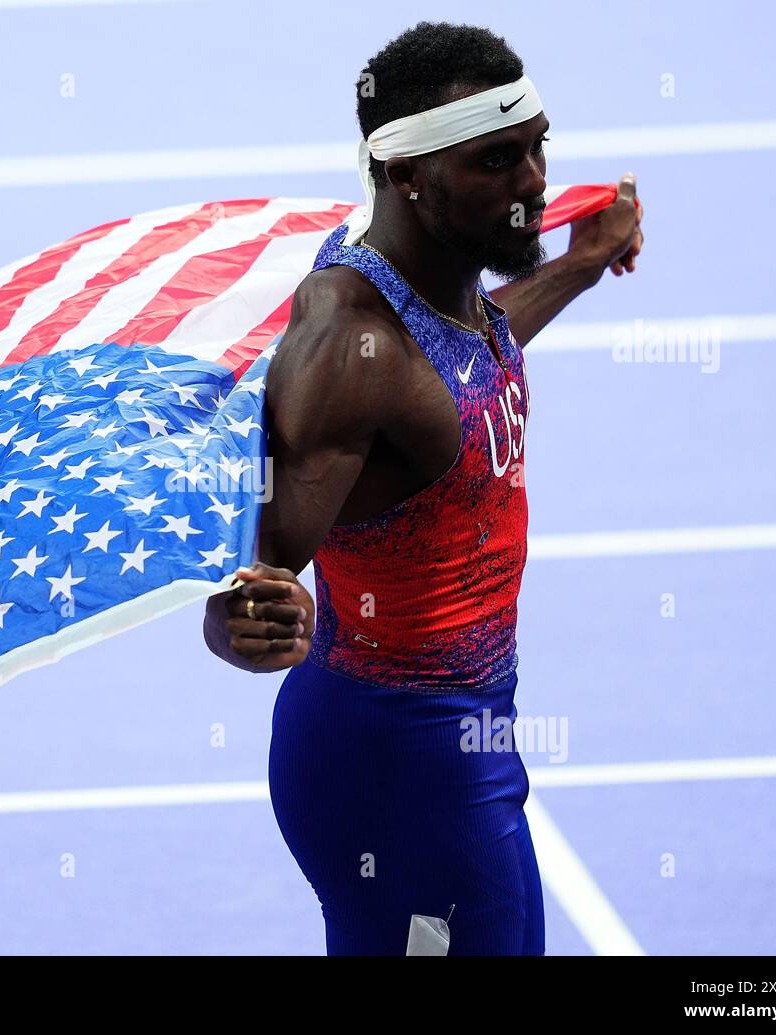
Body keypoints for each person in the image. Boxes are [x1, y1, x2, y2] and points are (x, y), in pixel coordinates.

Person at [201, 21, 644, 955]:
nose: (534, 185)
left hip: (469, 736)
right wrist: (249, 619)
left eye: (537, 150)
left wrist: (581, 260)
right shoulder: (344, 342)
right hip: (394, 764)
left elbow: (460, 381)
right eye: (497, 161)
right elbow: (257, 585)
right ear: (408, 175)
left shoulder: (441, 276)